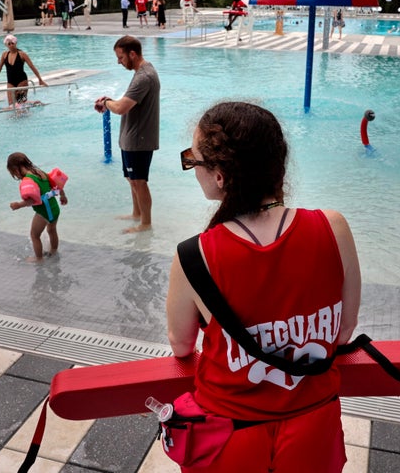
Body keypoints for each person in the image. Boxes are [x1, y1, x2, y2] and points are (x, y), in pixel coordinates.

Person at [167, 101, 362, 472]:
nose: (193, 170)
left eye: (194, 160)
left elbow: (180, 345)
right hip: (313, 427)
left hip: (229, 436)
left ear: (220, 175)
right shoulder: (332, 228)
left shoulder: (196, 256)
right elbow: (344, 332)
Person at [93, 36, 160, 233]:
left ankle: (145, 223)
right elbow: (127, 102)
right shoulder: (143, 71)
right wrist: (110, 101)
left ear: (132, 54)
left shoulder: (144, 77)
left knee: (139, 181)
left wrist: (106, 103)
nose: (118, 62)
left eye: (121, 57)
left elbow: (121, 108)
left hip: (139, 139)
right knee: (132, 180)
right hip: (133, 137)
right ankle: (136, 213)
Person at [7, 152, 68, 262]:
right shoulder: (41, 173)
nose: (17, 177)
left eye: (15, 174)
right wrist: (63, 195)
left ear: (16, 169)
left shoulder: (29, 179)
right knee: (52, 230)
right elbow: (56, 184)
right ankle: (54, 251)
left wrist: (18, 205)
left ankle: (39, 258)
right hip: (54, 208)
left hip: (43, 211)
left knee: (34, 235)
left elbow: (32, 200)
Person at [0, 35, 47, 108]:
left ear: (15, 43)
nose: (11, 45)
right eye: (9, 44)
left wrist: (40, 79)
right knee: (11, 104)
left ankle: (28, 114)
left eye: (12, 43)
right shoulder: (4, 55)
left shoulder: (22, 54)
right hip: (10, 81)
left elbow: (32, 67)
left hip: (22, 80)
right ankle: (36, 103)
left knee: (21, 103)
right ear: (6, 45)